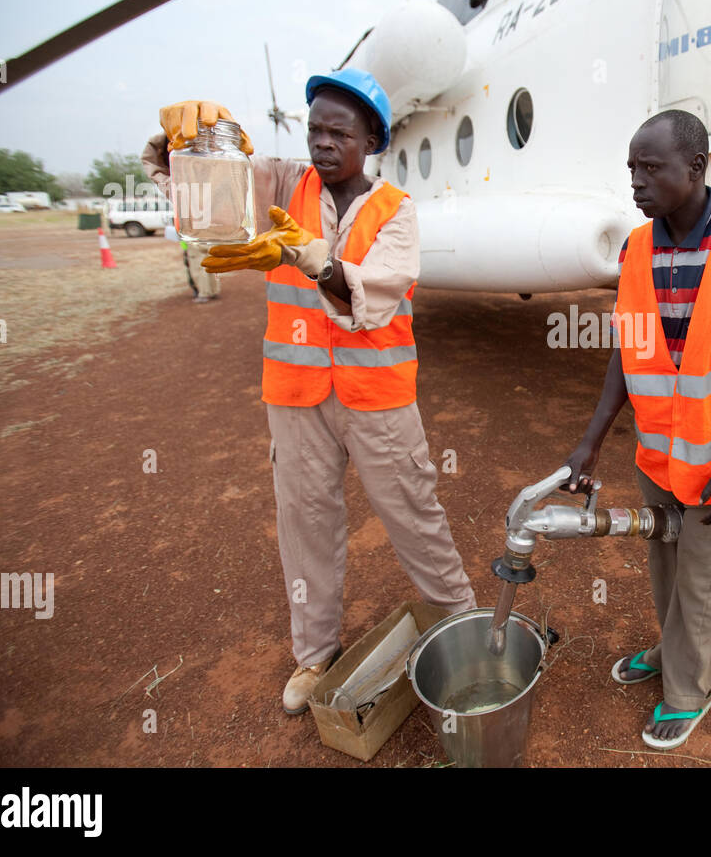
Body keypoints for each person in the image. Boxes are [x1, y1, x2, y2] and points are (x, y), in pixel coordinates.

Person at [142, 72, 476, 715]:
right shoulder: (279, 180)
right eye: (314, 129)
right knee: (306, 525)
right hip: (295, 395)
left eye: (338, 132)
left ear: (371, 140)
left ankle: (461, 621)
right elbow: (204, 192)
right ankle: (314, 655)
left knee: (413, 512)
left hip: (377, 398)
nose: (323, 142)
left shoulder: (395, 211)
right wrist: (189, 138)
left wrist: (314, 261)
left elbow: (374, 295)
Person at [562, 110, 711, 750]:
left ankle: (689, 690)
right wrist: (592, 439)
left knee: (700, 578)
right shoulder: (638, 247)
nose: (636, 180)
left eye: (651, 166)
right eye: (632, 167)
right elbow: (626, 351)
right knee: (664, 562)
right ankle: (670, 653)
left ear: (696, 168)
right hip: (657, 453)